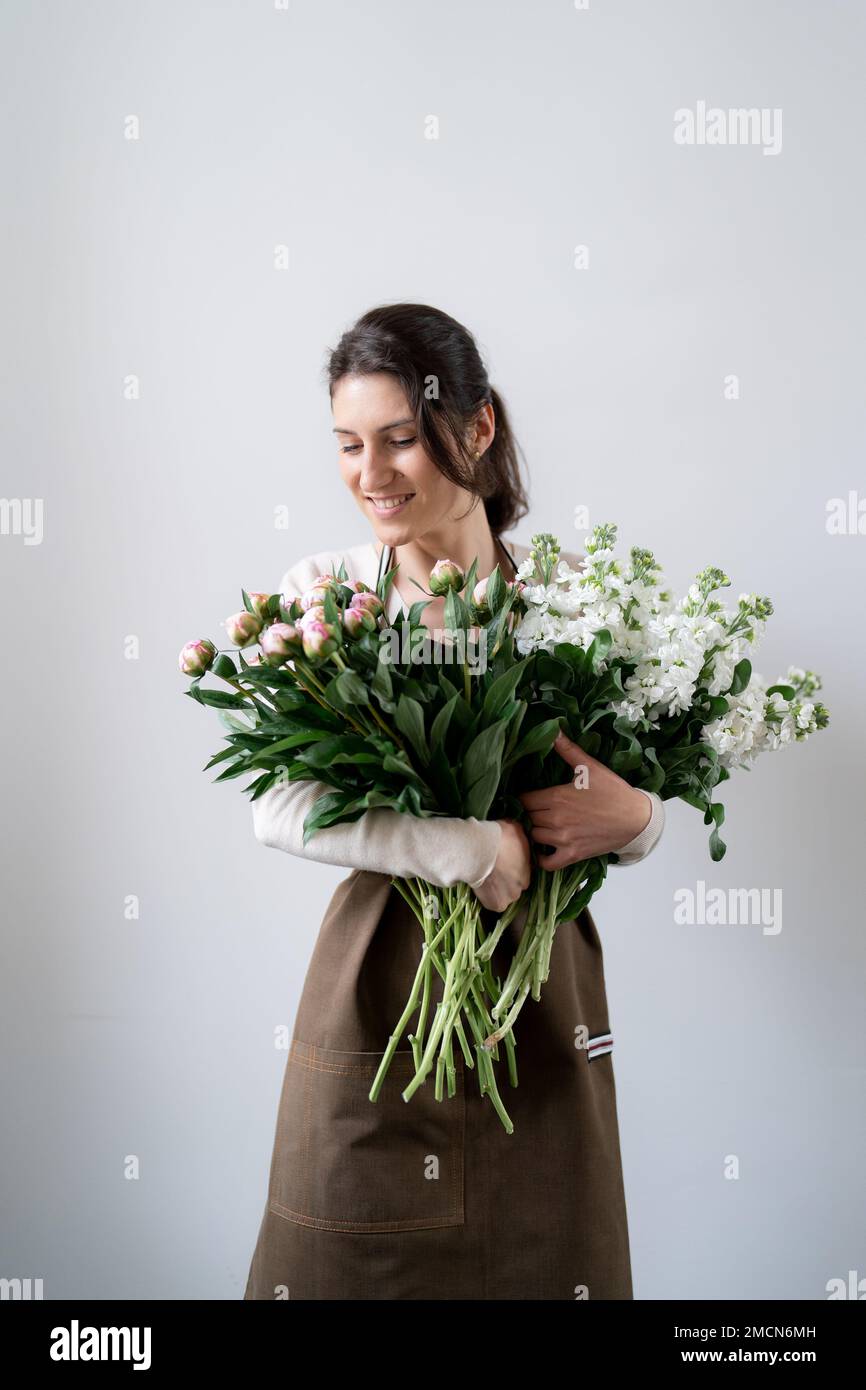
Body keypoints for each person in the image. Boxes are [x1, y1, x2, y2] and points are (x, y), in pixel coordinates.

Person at [243, 303, 664, 1301]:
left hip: (538, 985)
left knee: (547, 1260)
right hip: (378, 992)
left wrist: (635, 819)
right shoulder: (326, 594)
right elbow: (277, 805)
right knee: (346, 1256)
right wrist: (466, 846)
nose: (370, 473)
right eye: (348, 444)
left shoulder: (569, 598)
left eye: (399, 438)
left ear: (476, 428)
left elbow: (637, 774)